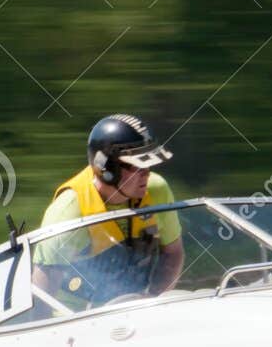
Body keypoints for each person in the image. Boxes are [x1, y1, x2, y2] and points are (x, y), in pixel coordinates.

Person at [36, 114, 186, 305]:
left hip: (133, 311)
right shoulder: (68, 212)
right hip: (76, 322)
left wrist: (154, 300)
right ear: (107, 168)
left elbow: (173, 253)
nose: (146, 173)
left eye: (148, 163)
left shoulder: (157, 190)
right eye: (138, 166)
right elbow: (42, 295)